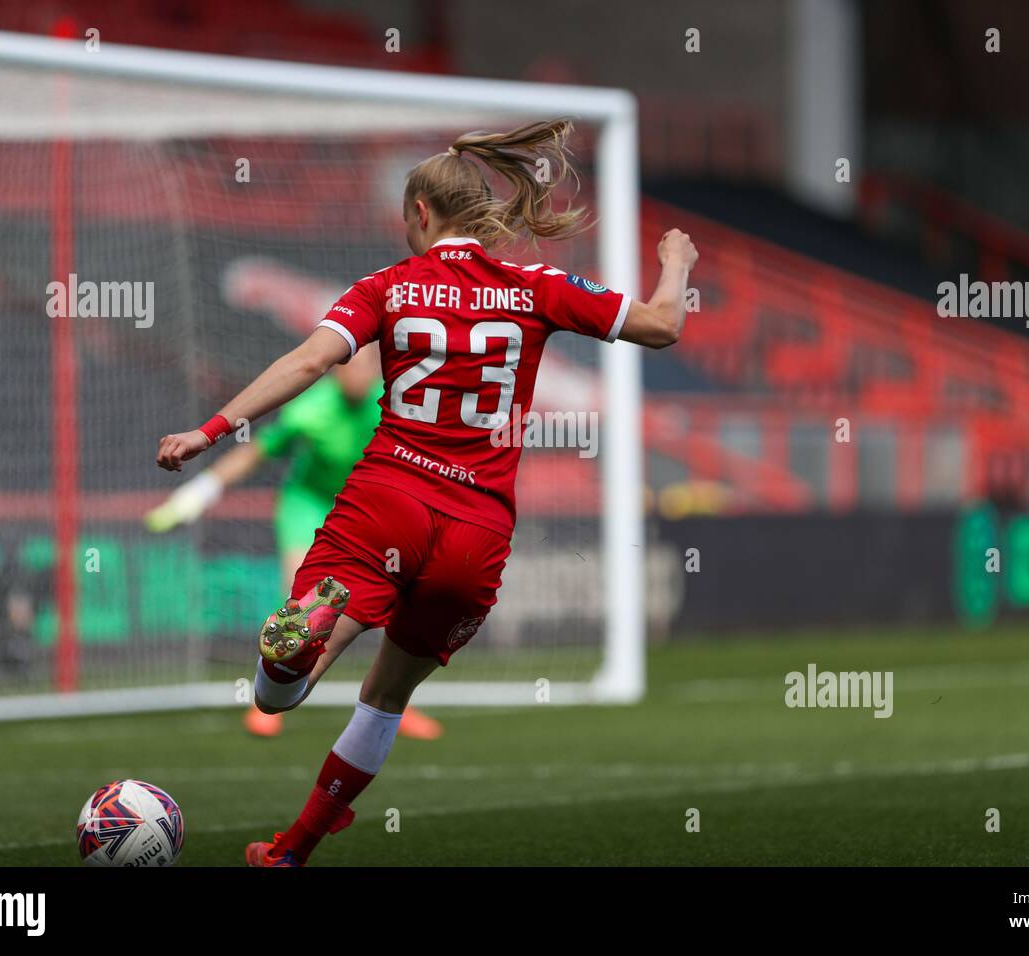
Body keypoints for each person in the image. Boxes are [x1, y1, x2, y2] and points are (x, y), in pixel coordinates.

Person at [154, 118, 697, 866]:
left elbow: (310, 362)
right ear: (484, 218)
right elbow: (665, 325)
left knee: (276, 698)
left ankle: (295, 650)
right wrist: (675, 260)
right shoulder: (537, 287)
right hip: (477, 533)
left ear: (419, 214)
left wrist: (210, 429)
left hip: (388, 500)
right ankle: (292, 850)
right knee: (385, 702)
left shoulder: (387, 287)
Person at [144, 346, 443, 740]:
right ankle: (267, 703)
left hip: (369, 506)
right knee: (301, 606)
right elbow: (254, 455)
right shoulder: (310, 409)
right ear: (336, 370)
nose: (359, 373)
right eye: (350, 365)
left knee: (398, 604)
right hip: (308, 506)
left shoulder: (396, 405)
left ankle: (391, 701)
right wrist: (196, 495)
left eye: (368, 364)